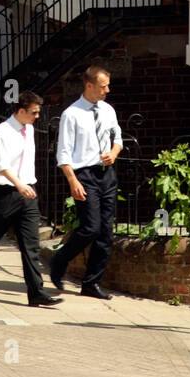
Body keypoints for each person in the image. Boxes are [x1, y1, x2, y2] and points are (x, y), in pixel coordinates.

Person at [0, 90, 61, 308]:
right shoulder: (2, 132)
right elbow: (1, 165)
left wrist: (26, 186)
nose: (37, 116)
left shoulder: (30, 129)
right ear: (21, 111)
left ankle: (36, 293)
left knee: (31, 245)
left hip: (28, 193)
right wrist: (19, 185)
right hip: (5, 194)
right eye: (33, 112)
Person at [50, 65, 123, 300]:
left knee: (106, 232)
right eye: (103, 86)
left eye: (108, 86)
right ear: (89, 85)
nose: (107, 90)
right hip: (85, 175)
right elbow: (63, 153)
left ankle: (91, 283)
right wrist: (73, 181)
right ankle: (59, 259)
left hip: (106, 174)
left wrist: (113, 153)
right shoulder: (72, 114)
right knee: (91, 227)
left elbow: (118, 138)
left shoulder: (108, 110)